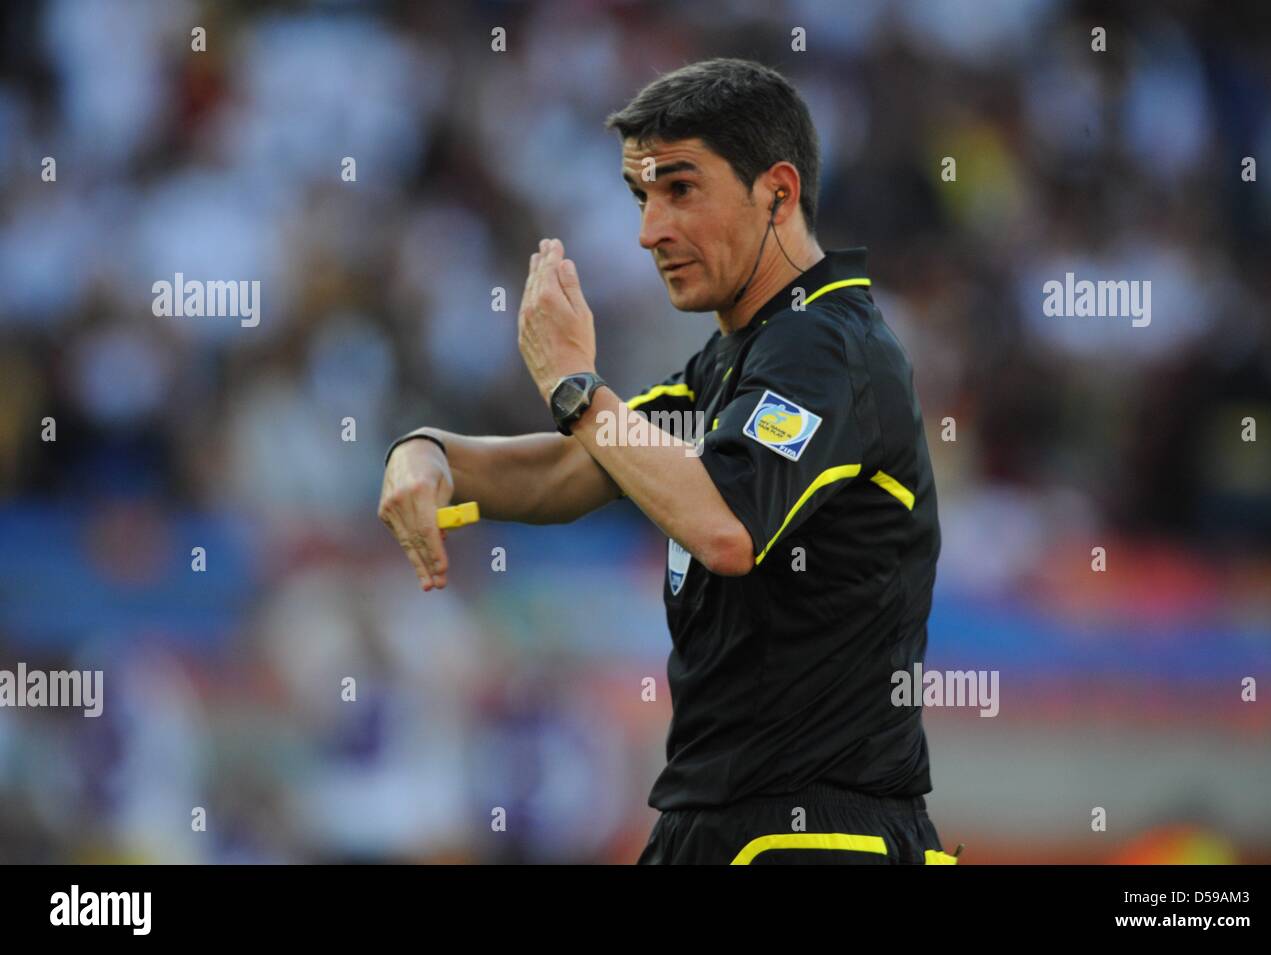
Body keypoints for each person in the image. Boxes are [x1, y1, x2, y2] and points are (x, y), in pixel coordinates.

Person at [378, 58, 953, 865]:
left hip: (816, 831)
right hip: (717, 820)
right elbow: (569, 469)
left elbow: (725, 526)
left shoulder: (827, 345)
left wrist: (577, 387)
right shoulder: (731, 365)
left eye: (680, 190)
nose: (650, 230)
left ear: (777, 192)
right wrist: (430, 453)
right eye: (641, 196)